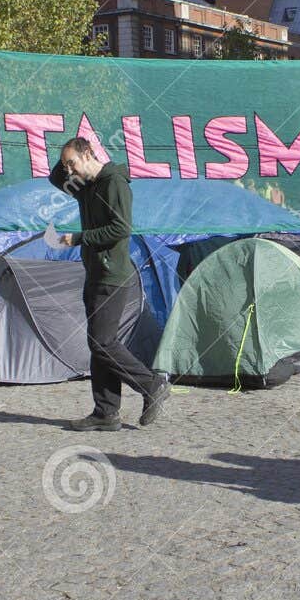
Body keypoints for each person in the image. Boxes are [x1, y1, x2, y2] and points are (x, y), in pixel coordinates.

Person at [48, 136, 171, 432]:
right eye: (66, 165)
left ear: (89, 154)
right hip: (95, 273)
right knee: (98, 343)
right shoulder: (83, 187)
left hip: (114, 275)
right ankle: (106, 412)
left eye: (72, 163)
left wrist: (79, 238)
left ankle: (151, 385)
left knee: (102, 342)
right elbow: (55, 179)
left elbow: (120, 228)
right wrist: (65, 161)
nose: (68, 171)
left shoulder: (113, 183)